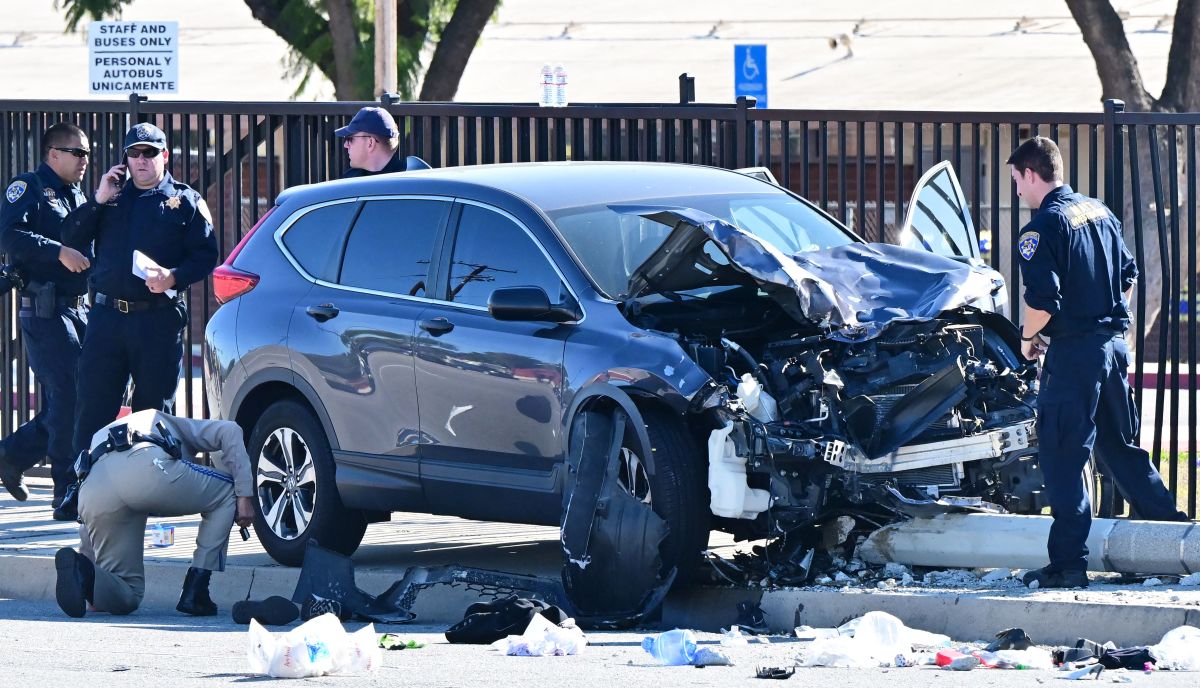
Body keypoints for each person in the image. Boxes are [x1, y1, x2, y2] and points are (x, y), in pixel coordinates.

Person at [1008, 136, 1189, 589]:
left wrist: (1029, 339)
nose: (1017, 191)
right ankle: (1177, 537)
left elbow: (1041, 301)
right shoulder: (1099, 212)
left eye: (1016, 180)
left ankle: (1068, 565)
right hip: (1111, 347)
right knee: (1119, 448)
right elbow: (1129, 275)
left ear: (1031, 173)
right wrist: (1106, 320)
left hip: (1074, 355)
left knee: (1063, 454)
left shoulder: (1042, 227)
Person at [63, 123, 218, 518]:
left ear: (164, 156)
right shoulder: (111, 197)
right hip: (107, 319)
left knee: (152, 412)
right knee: (93, 407)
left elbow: (206, 255)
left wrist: (173, 277)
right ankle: (81, 491)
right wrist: (97, 199)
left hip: (156, 321)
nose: (141, 160)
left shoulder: (184, 201)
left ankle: (149, 492)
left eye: (149, 153)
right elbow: (71, 237)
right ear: (126, 158)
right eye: (134, 153)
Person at [53, 409, 254, 617]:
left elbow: (88, 527)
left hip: (92, 489)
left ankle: (83, 574)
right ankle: (196, 591)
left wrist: (92, 590)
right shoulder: (171, 422)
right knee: (229, 491)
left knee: (128, 593)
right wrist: (245, 495)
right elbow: (230, 430)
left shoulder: (102, 436)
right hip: (145, 465)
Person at [0, 122, 93, 509]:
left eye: (87, 153)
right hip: (45, 309)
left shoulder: (77, 194)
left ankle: (12, 454)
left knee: (86, 394)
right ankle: (65, 489)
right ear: (53, 154)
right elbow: (9, 234)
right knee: (69, 393)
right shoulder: (29, 187)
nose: (85, 160)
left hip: (80, 308)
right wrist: (57, 251)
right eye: (78, 152)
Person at [336, 107, 406, 177]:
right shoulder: (407, 178)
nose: (345, 145)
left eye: (350, 139)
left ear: (370, 143)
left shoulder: (350, 180)